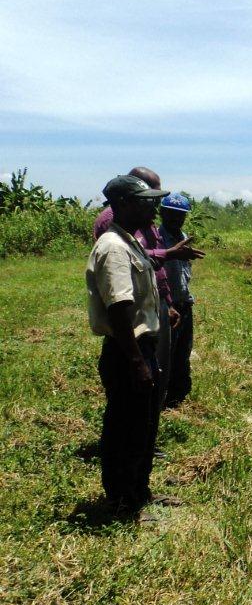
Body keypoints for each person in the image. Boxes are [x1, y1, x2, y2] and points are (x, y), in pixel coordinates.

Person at [86, 175, 174, 513]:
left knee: (144, 426)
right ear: (122, 204)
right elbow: (119, 308)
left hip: (141, 349)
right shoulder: (112, 248)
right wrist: (137, 362)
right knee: (126, 428)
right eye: (145, 201)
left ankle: (140, 491)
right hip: (128, 352)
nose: (152, 207)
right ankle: (122, 499)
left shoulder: (129, 241)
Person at [94, 167, 203, 409]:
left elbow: (152, 266)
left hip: (155, 308)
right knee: (130, 387)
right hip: (133, 318)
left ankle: (154, 417)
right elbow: (119, 297)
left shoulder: (143, 223)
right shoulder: (112, 230)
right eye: (150, 198)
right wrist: (169, 254)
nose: (155, 207)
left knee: (162, 363)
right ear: (131, 197)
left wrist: (166, 301)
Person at [158, 193, 196, 407]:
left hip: (184, 303)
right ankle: (162, 397)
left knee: (183, 351)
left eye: (181, 215)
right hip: (168, 306)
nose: (176, 219)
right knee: (166, 354)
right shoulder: (157, 239)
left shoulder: (183, 235)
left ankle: (178, 396)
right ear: (162, 213)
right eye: (171, 215)